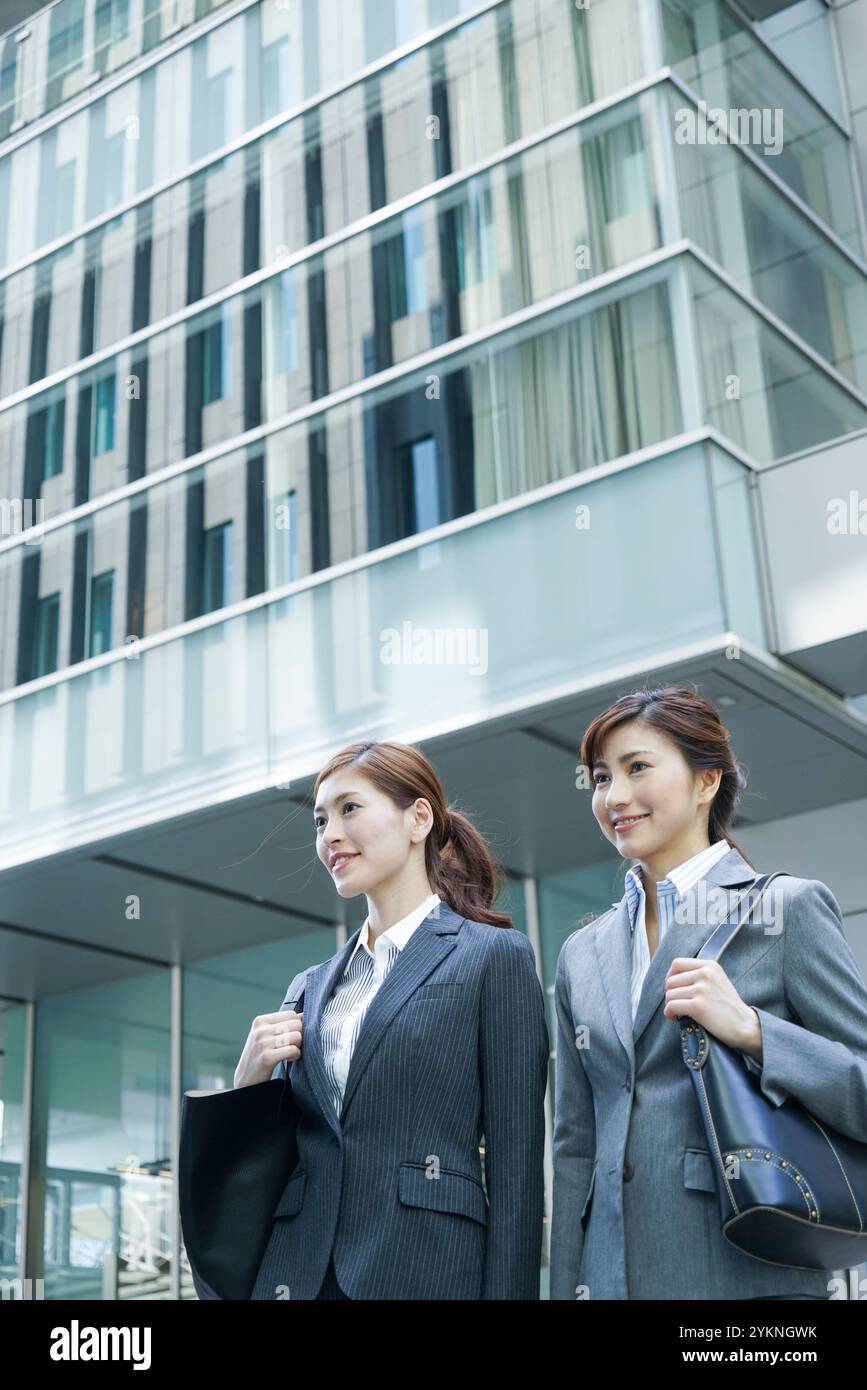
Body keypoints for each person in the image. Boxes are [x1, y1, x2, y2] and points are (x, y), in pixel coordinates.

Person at [550, 682, 867, 1300]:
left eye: (637, 767)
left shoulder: (784, 911)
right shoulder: (580, 955)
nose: (615, 795)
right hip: (613, 1280)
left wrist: (754, 1030)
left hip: (745, 1281)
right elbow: (573, 1147)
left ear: (706, 781)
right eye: (599, 778)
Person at [234, 739, 549, 1300]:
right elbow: (271, 1158)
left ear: (418, 818)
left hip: (424, 1271)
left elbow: (516, 1165)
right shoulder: (307, 988)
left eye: (349, 808)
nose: (329, 834)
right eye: (320, 820)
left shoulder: (491, 957)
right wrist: (247, 1085)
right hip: (298, 1276)